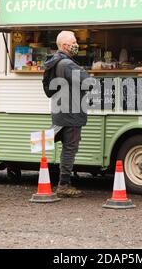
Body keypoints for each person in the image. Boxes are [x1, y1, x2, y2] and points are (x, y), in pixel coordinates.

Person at [43, 31, 91, 198]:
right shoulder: (66, 64)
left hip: (60, 112)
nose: (76, 44)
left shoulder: (55, 62)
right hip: (70, 112)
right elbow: (88, 82)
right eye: (74, 42)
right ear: (64, 46)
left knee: (55, 142)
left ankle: (57, 178)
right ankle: (63, 185)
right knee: (70, 148)